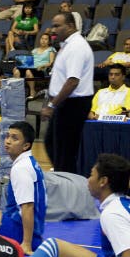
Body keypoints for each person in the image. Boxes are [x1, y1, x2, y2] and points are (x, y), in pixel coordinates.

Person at [27, 154, 130, 257]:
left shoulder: (113, 213)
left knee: (54, 246)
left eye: (91, 175)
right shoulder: (125, 204)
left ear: (103, 181)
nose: (88, 180)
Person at [41, 13, 95, 174]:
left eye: (57, 26)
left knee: (65, 152)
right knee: (51, 144)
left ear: (71, 26)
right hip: (64, 103)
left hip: (73, 104)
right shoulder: (67, 45)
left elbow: (72, 81)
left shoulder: (77, 46)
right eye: (52, 25)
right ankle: (64, 177)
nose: (52, 29)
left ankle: (68, 185)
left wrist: (52, 105)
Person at [0, 122, 46, 254]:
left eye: (14, 138)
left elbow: (27, 207)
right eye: (8, 136)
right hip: (28, 230)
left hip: (17, 230)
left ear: (26, 145)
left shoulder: (21, 168)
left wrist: (26, 243)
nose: (8, 141)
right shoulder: (29, 162)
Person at [14, 32, 56, 100]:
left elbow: (51, 63)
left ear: (49, 41)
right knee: (16, 71)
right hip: (31, 68)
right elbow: (29, 61)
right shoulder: (35, 50)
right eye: (42, 38)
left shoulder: (51, 49)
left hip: (41, 70)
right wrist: (21, 65)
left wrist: (42, 66)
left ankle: (32, 91)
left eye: (46, 39)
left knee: (28, 71)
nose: (43, 40)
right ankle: (18, 92)